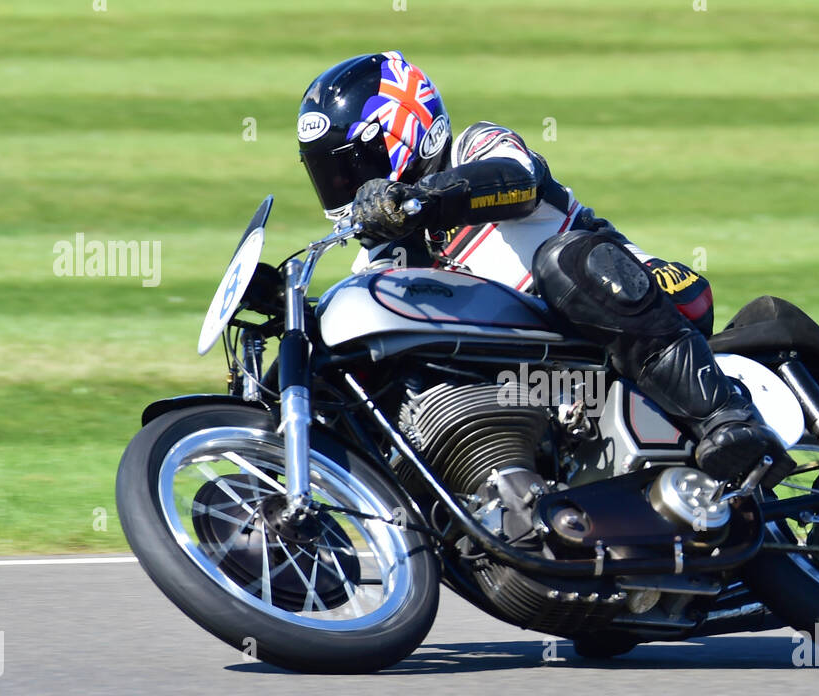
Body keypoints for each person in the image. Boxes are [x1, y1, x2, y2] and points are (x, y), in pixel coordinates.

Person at [296, 50, 773, 480]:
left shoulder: (477, 148)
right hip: (549, 379)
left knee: (562, 261)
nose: (348, 189)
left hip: (647, 298)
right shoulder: (377, 262)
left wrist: (417, 198)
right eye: (329, 175)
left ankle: (725, 415)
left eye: (352, 168)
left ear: (407, 134)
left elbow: (517, 181)